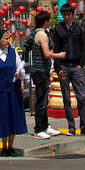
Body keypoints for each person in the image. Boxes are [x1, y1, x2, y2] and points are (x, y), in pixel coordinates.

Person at [0, 27, 28, 156]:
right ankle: (4, 146)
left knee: (13, 117)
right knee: (2, 118)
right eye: (5, 38)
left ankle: (10, 146)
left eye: (8, 38)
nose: (7, 40)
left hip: (13, 91)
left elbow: (21, 69)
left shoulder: (13, 53)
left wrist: (20, 75)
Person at [52, 2, 85, 135]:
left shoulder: (78, 29)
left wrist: (80, 64)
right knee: (66, 98)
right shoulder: (58, 29)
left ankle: (84, 127)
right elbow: (55, 50)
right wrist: (58, 68)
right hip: (63, 66)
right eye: (64, 15)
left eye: (69, 14)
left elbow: (84, 47)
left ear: (72, 15)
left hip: (76, 66)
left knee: (81, 97)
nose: (67, 17)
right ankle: (71, 127)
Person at [30, 10, 64, 139]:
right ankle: (39, 128)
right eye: (48, 20)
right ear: (45, 22)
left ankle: (45, 125)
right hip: (40, 71)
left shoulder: (41, 33)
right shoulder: (42, 35)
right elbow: (47, 53)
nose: (49, 22)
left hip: (43, 70)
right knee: (41, 100)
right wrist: (59, 55)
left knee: (44, 99)